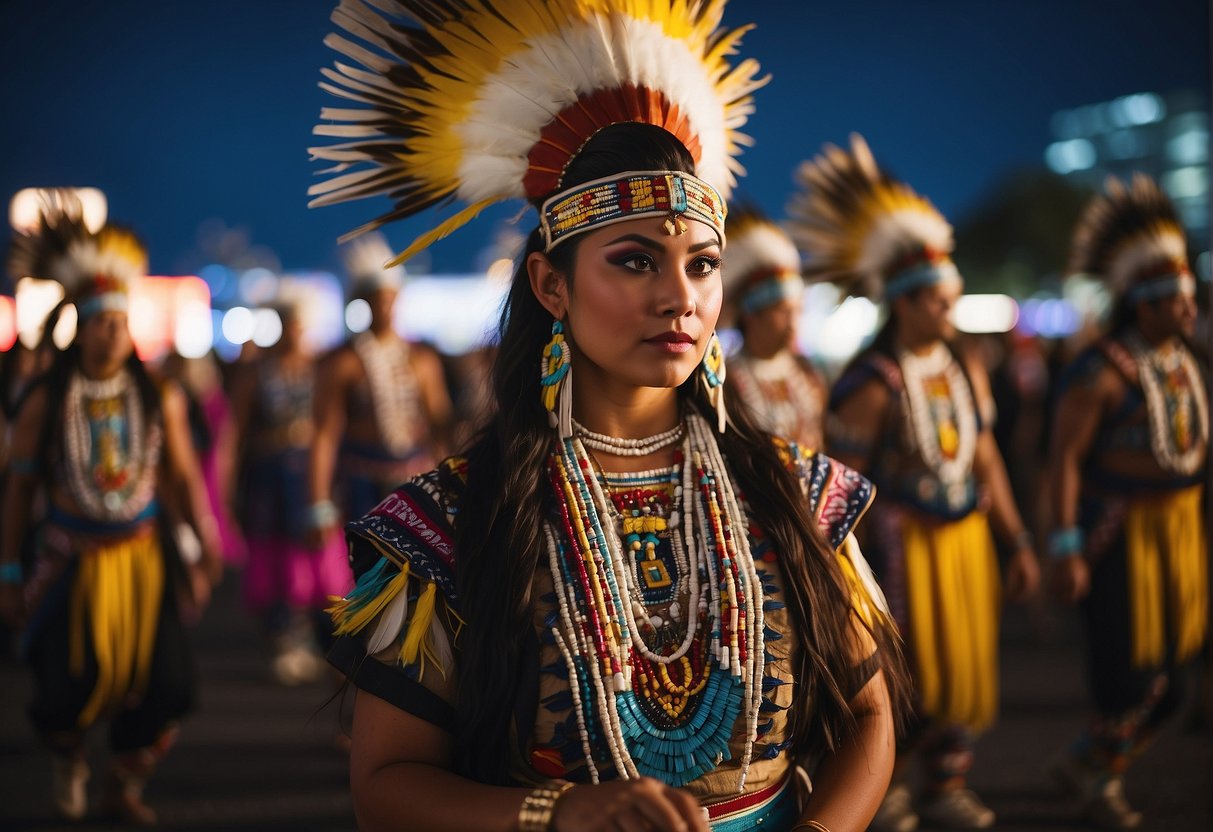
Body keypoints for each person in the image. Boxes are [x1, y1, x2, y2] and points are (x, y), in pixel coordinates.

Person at [307, 2, 910, 831]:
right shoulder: (455, 521)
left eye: (701, 265)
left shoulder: (794, 492)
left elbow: (869, 718)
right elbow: (384, 784)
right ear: (550, 286)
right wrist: (556, 813)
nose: (679, 298)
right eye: (634, 261)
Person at [788, 134, 1040, 831]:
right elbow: (843, 490)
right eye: (934, 299)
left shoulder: (966, 370)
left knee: (960, 665)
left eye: (949, 297)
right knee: (905, 671)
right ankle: (886, 782)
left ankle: (944, 785)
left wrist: (1015, 539)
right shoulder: (872, 383)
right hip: (897, 548)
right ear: (901, 302)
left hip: (961, 539)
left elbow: (984, 457)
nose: (946, 311)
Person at [0, 197, 222, 824]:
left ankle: (124, 783)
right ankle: (69, 756)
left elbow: (180, 476)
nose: (114, 333)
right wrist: (8, 572)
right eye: (102, 323)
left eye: (123, 323)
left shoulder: (158, 394)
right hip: (70, 559)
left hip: (145, 558)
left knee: (168, 685)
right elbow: (18, 492)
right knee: (66, 686)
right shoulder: (47, 399)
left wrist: (202, 540)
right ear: (81, 326)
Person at [1046, 174, 1208, 830]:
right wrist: (1064, 547)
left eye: (1188, 299)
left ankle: (1087, 765)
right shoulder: (1100, 371)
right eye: (1175, 302)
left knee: (1172, 677)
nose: (1188, 312)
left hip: (1179, 532)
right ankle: (1098, 779)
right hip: (1117, 535)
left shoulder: (1186, 360)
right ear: (1141, 303)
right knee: (1129, 674)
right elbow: (1060, 460)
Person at [228, 294, 350, 684]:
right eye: (290, 325)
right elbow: (235, 434)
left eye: (301, 326)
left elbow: (333, 428)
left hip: (311, 476)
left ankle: (317, 634)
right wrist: (225, 486)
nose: (296, 333)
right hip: (270, 476)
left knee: (317, 554)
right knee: (275, 552)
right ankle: (283, 635)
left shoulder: (321, 369)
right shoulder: (257, 373)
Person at [307, 231, 453, 546]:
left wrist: (451, 484)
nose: (385, 306)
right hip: (360, 485)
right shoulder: (344, 363)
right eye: (378, 298)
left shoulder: (422, 360)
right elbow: (324, 433)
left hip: (414, 482)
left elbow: (440, 426)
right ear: (364, 301)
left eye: (390, 297)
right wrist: (318, 504)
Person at [720, 207, 828, 450]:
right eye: (782, 311)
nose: (793, 322)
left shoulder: (809, 374)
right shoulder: (727, 383)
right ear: (751, 315)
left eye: (798, 311)